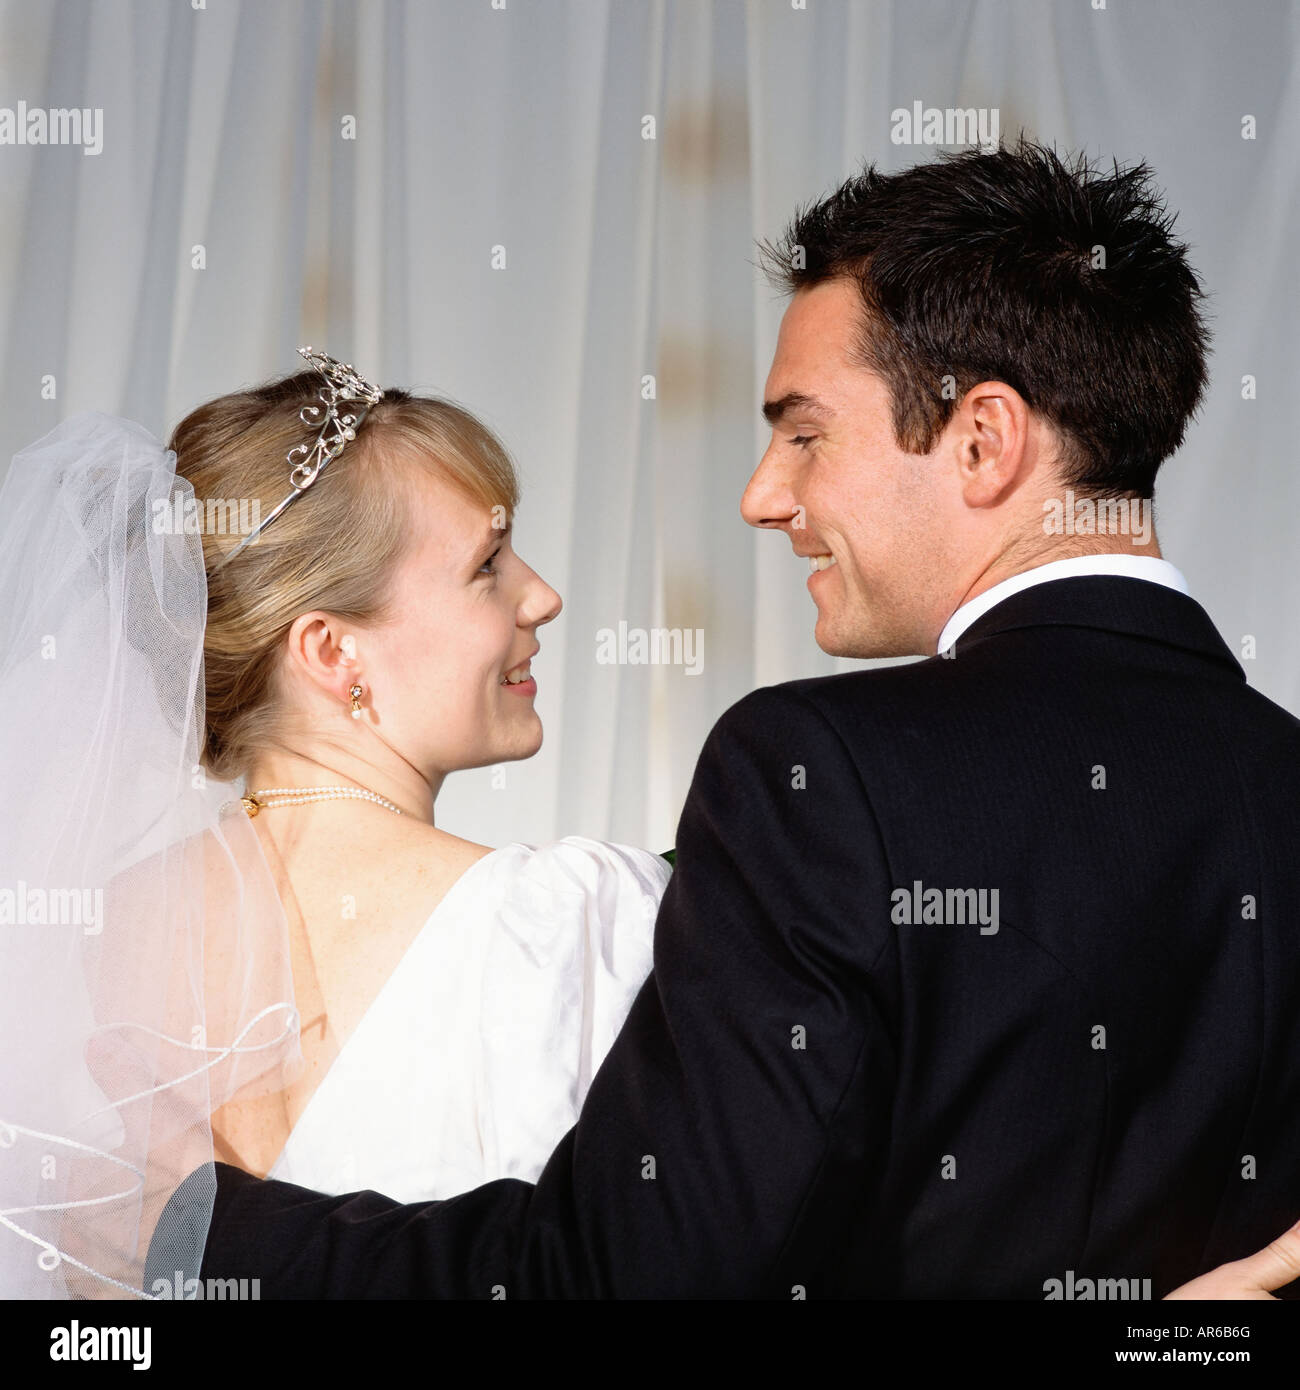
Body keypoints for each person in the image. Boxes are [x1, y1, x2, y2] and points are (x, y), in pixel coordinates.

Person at [173, 139, 1300, 1298]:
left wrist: (185, 1233)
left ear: (983, 439)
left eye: (804, 432)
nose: (765, 496)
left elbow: (628, 1280)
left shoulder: (820, 775)